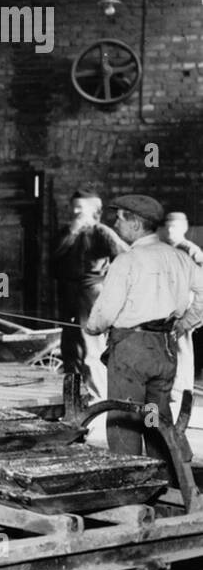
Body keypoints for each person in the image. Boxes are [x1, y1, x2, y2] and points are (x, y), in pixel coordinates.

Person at [84, 194, 203, 460]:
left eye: (120, 218)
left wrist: (93, 327)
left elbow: (104, 312)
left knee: (125, 416)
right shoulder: (179, 258)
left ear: (136, 224)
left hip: (131, 351)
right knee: (155, 414)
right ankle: (165, 474)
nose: (115, 224)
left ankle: (130, 477)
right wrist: (185, 323)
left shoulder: (127, 261)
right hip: (164, 348)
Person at [51, 186, 127, 423]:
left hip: (90, 297)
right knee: (70, 353)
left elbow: (126, 258)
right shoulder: (65, 233)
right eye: (73, 207)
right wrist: (71, 234)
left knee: (90, 354)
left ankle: (98, 407)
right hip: (68, 297)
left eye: (81, 209)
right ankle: (75, 407)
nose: (75, 211)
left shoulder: (101, 233)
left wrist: (107, 282)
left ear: (94, 211)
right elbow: (52, 261)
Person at [162, 212, 203, 423]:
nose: (170, 231)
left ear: (184, 228)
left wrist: (191, 317)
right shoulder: (161, 250)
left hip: (182, 313)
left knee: (182, 358)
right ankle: (160, 416)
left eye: (175, 227)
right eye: (167, 227)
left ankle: (180, 409)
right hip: (162, 312)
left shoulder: (191, 251)